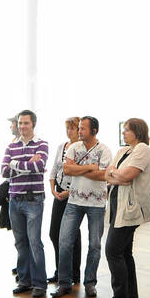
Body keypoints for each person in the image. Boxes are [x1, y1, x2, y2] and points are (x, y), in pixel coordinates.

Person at [52, 116, 113, 298]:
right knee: (64, 242)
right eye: (79, 128)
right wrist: (90, 167)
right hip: (74, 202)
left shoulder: (104, 150)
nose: (79, 131)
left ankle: (90, 283)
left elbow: (103, 175)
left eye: (83, 128)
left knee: (94, 245)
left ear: (94, 131)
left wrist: (79, 168)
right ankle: (64, 283)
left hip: (96, 204)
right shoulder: (73, 147)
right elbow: (67, 170)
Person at [100, 118, 150, 298]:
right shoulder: (123, 151)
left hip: (130, 208)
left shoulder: (142, 149)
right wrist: (116, 174)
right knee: (124, 252)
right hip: (116, 206)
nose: (123, 133)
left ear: (137, 131)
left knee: (113, 251)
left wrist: (117, 174)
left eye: (127, 130)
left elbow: (128, 175)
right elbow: (108, 174)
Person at [2, 110, 49, 298]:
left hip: (33, 199)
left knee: (35, 242)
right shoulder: (11, 146)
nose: (22, 126)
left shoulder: (42, 144)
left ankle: (39, 283)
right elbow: (4, 172)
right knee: (20, 242)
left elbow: (39, 167)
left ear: (33, 124)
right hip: (14, 199)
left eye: (26, 123)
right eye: (20, 123)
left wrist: (14, 164)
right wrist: (24, 164)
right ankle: (24, 280)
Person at [48, 117, 82, 286]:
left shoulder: (82, 149)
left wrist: (69, 192)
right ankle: (59, 270)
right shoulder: (62, 147)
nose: (69, 132)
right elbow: (54, 169)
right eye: (67, 128)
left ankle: (74, 273)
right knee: (54, 233)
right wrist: (53, 188)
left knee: (72, 235)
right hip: (59, 192)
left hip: (74, 194)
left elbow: (83, 175)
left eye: (73, 128)